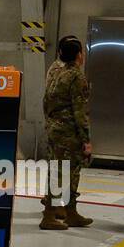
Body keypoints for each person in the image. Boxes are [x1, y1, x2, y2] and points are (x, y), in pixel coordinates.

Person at [41, 35, 93, 230]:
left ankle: (70, 212)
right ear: (79, 55)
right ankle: (49, 216)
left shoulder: (56, 72)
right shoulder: (77, 77)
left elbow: (46, 101)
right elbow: (80, 112)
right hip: (69, 133)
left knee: (62, 171)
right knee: (64, 173)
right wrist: (86, 140)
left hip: (55, 129)